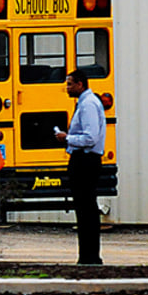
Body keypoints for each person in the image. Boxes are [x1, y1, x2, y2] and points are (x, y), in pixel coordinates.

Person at [55, 69, 106, 265]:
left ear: (80, 84)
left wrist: (67, 138)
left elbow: (90, 137)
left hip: (86, 160)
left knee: (86, 209)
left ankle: (90, 256)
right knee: (84, 208)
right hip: (84, 159)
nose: (67, 88)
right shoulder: (85, 103)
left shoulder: (88, 105)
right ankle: (87, 255)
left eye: (70, 84)